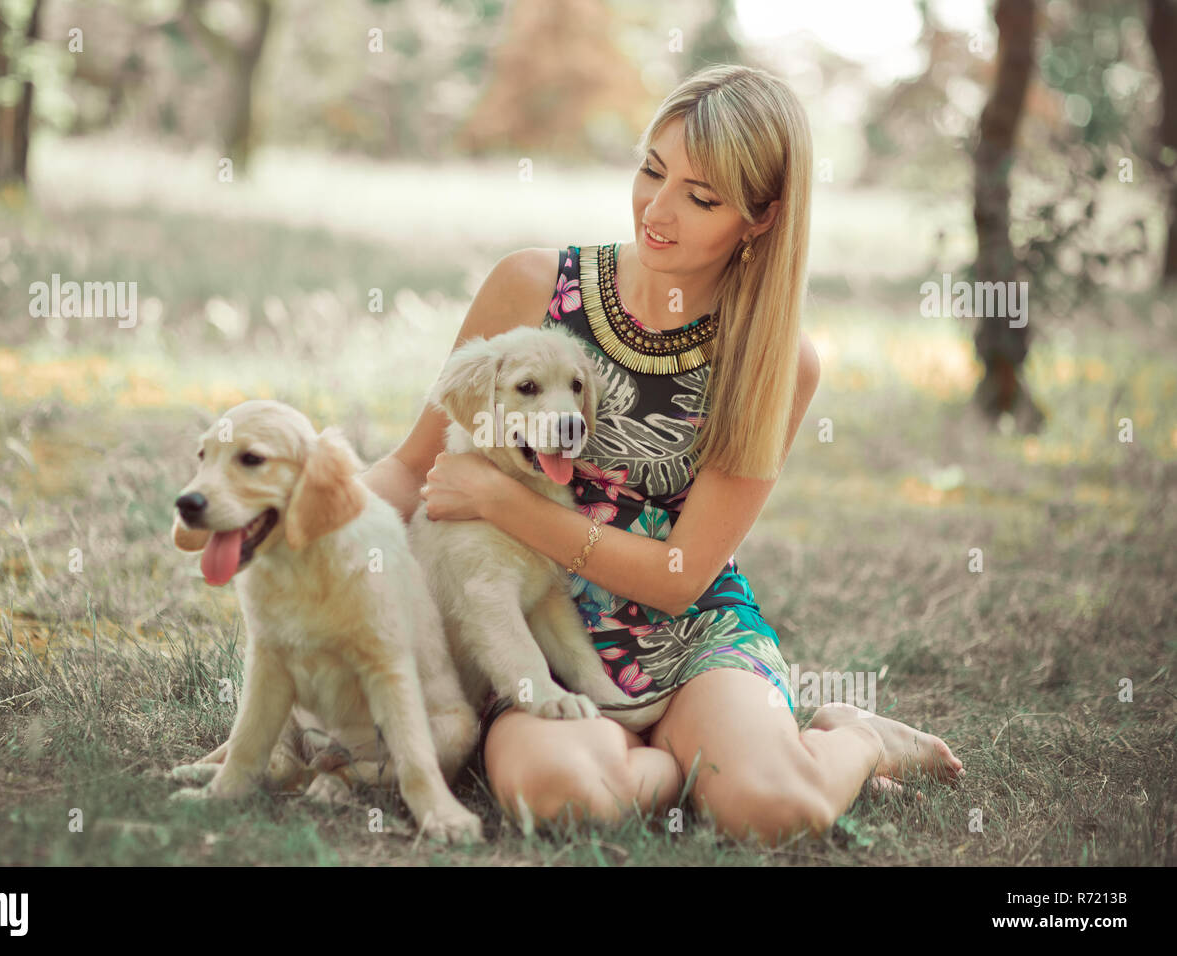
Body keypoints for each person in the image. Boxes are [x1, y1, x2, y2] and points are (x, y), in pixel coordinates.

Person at [360, 64, 963, 844]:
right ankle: (679, 766)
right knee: (560, 797)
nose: (658, 209)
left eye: (701, 197)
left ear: (761, 217)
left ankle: (855, 737)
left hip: (692, 637)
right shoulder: (534, 287)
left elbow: (682, 578)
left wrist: (506, 503)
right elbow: (413, 467)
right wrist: (319, 526)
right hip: (541, 632)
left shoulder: (775, 359)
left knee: (779, 812)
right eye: (652, 170)